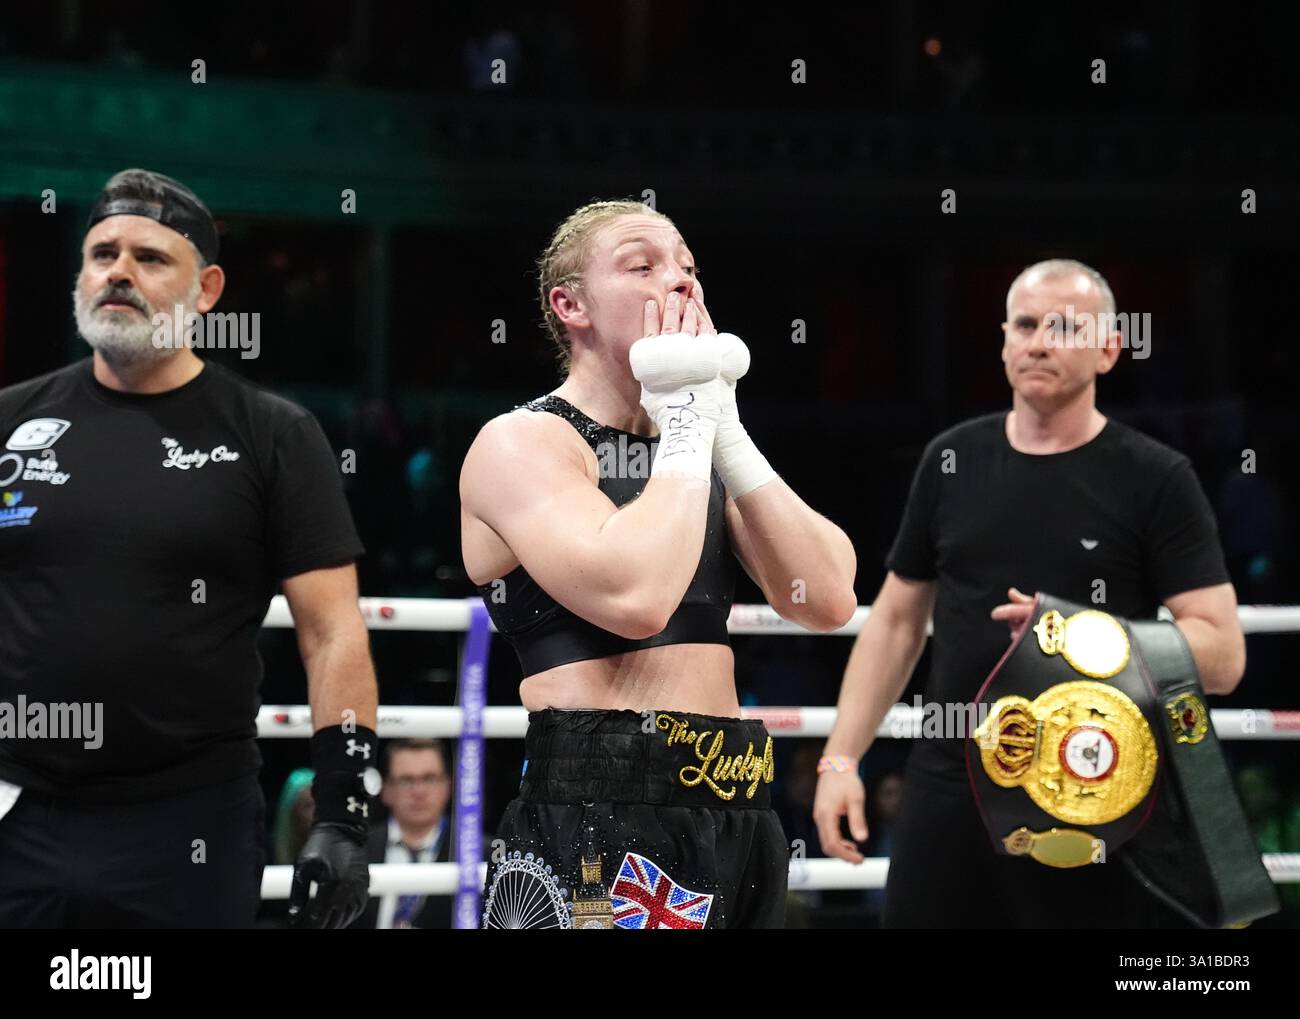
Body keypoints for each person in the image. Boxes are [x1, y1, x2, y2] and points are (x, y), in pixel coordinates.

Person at [813, 258, 1246, 928]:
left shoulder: (1157, 477)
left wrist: (1079, 632)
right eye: (1024, 324)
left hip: (1091, 787)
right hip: (949, 783)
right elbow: (897, 621)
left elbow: (1222, 657)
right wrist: (840, 757)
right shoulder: (950, 459)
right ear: (1004, 340)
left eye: (1065, 326)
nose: (1038, 340)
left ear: (1109, 349)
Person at [461, 200, 857, 928]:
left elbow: (827, 596)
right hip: (597, 800)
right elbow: (635, 595)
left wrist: (724, 430)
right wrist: (685, 424)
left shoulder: (698, 439)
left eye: (687, 267)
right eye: (643, 265)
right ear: (569, 304)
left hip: (738, 797)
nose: (678, 282)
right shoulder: (521, 442)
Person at [0, 169, 379, 929]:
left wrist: (342, 812)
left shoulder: (273, 434)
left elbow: (332, 630)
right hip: (18, 810)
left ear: (206, 289)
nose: (119, 271)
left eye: (150, 257)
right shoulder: (13, 419)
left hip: (187, 821)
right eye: (102, 252)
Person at [352, 739, 453, 929]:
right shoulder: (355, 850)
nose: (419, 791)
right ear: (386, 789)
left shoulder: (478, 852)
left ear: (448, 786)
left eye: (429, 779)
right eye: (406, 780)